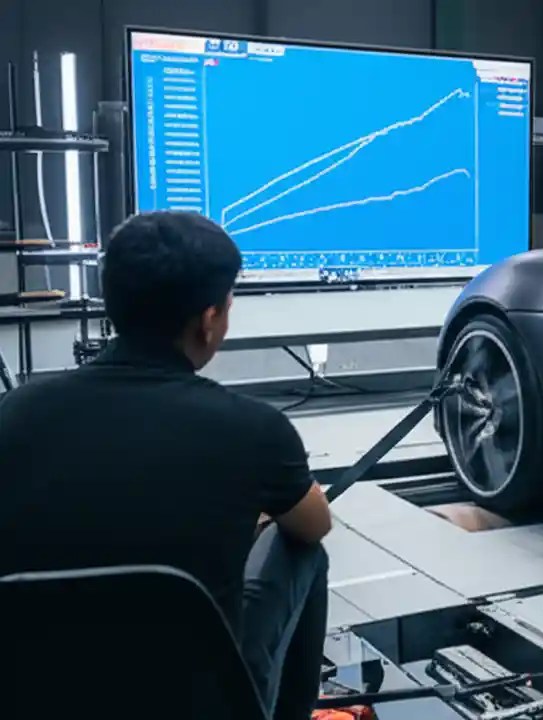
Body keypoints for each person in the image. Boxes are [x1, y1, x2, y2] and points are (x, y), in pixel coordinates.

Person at [0, 211, 333, 720]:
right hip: (200, 708)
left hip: (37, 700)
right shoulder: (255, 430)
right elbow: (316, 523)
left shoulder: (14, 413)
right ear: (207, 321)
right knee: (302, 548)